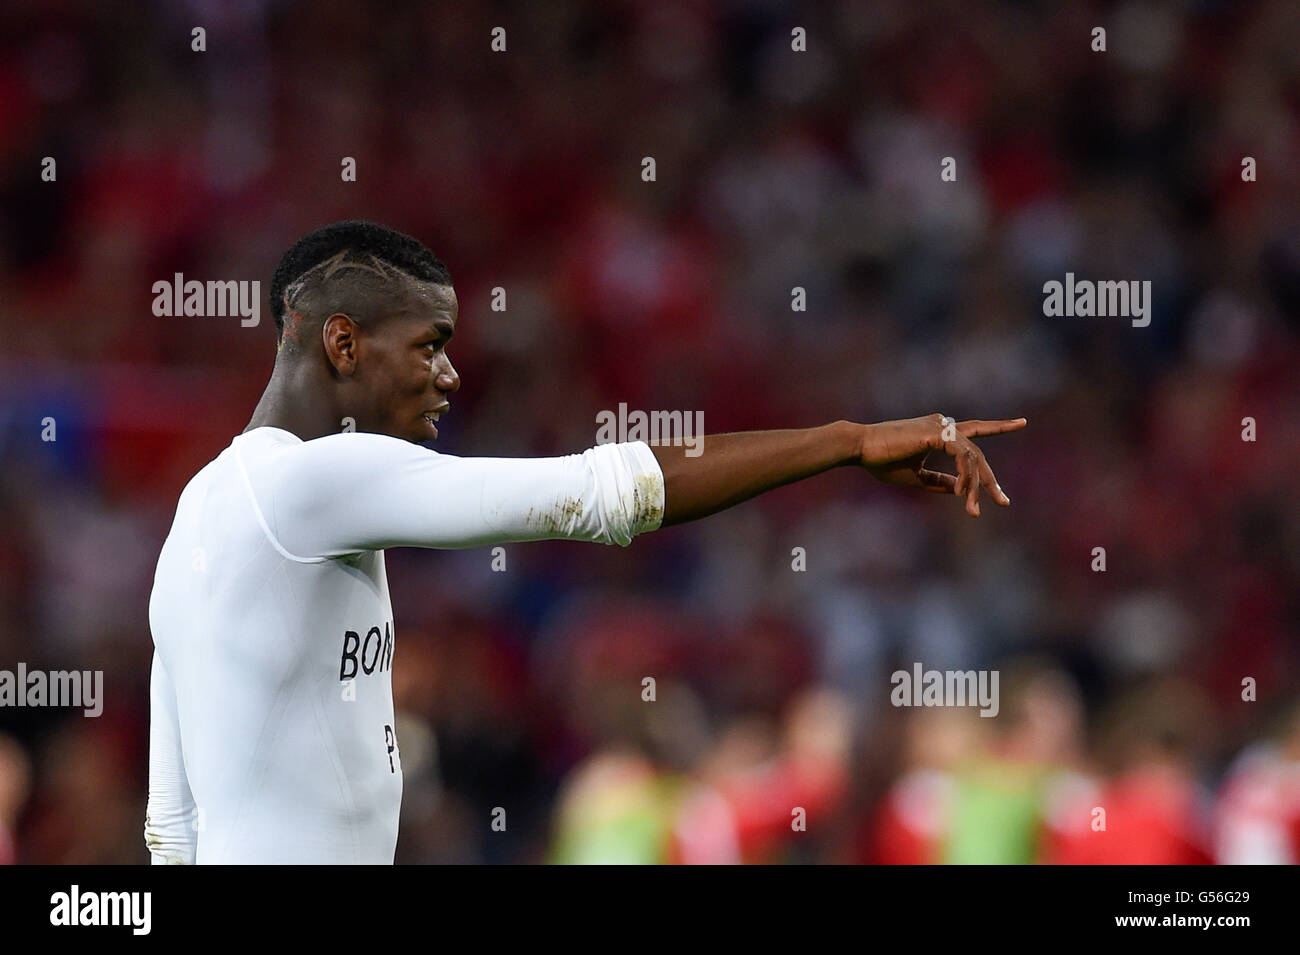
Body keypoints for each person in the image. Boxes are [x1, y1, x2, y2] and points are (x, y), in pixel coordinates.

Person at [145, 219, 1026, 864]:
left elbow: (170, 826)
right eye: (430, 346)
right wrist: (845, 440)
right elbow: (599, 495)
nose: (451, 374)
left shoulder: (199, 511)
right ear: (343, 341)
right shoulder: (311, 484)